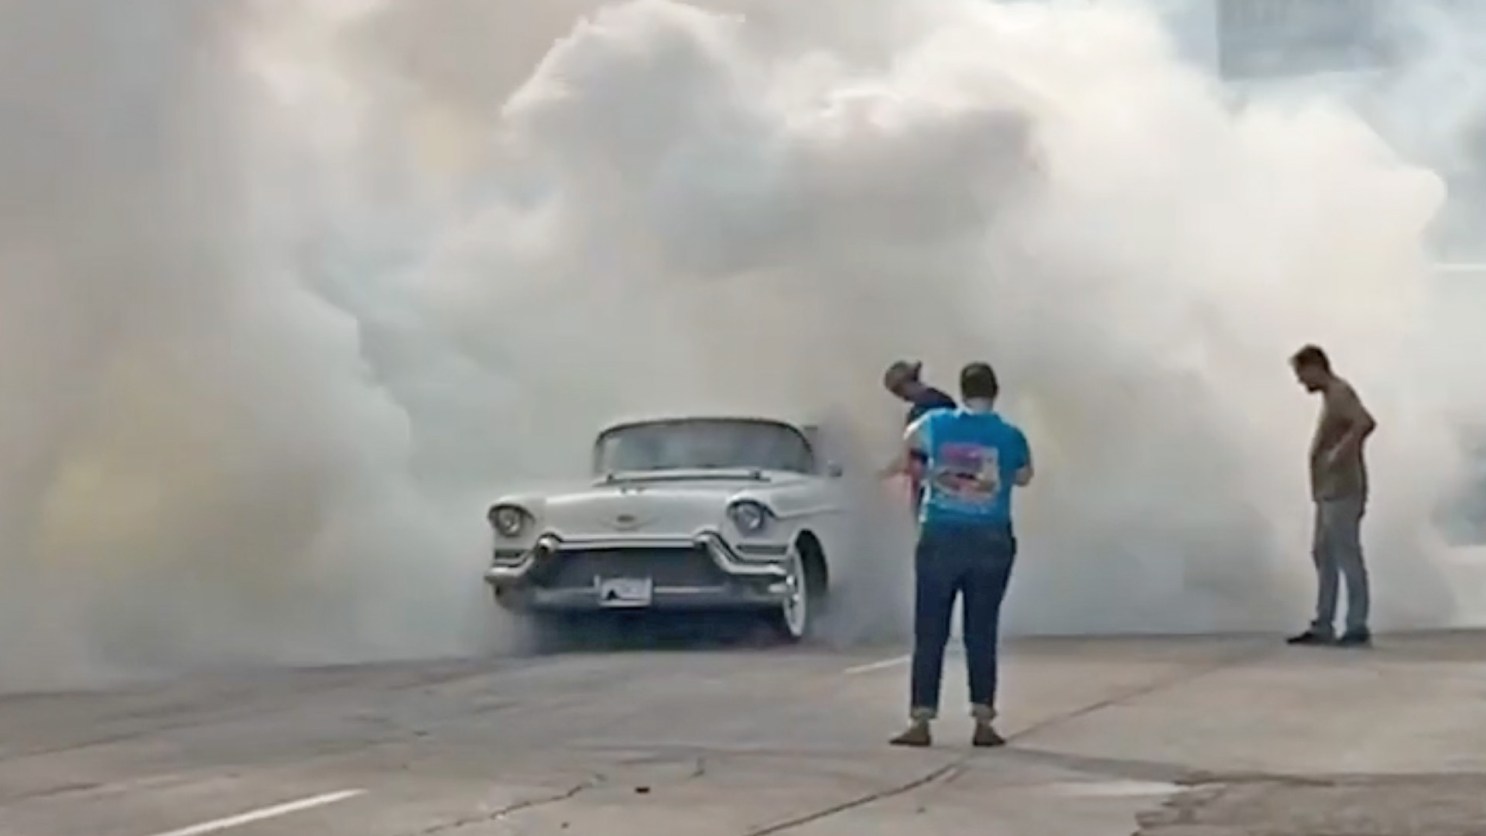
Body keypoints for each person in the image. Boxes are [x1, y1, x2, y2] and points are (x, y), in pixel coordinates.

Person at [889, 362, 1033, 748]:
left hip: (941, 534)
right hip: (991, 539)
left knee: (930, 629)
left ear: (963, 390)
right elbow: (1023, 476)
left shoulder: (936, 423)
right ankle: (983, 721)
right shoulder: (1010, 434)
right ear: (995, 391)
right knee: (981, 630)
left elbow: (910, 445)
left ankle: (921, 720)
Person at [1286, 344, 1377, 648]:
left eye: (1302, 374)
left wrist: (1341, 452)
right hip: (1328, 492)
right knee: (1323, 555)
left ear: (1315, 367)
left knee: (1347, 553)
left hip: (1343, 491)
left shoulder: (1340, 393)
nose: (1301, 382)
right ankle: (1323, 623)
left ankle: (1356, 624)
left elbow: (1365, 422)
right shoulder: (1330, 397)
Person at [879, 360, 958, 509]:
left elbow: (911, 458)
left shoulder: (919, 413)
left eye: (898, 390)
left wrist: (884, 473)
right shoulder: (946, 401)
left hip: (930, 491)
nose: (901, 397)